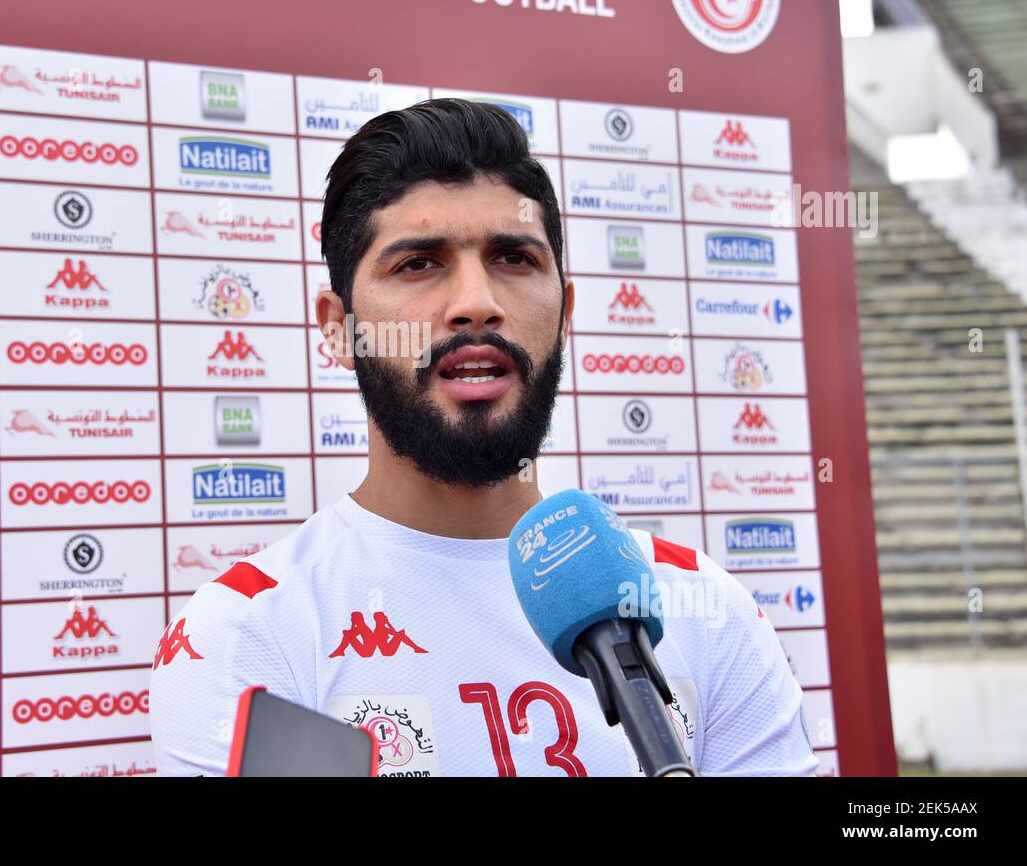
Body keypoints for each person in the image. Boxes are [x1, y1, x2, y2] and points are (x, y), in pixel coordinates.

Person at [149, 98, 818, 776]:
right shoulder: (249, 634)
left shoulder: (703, 609)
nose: (475, 301)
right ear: (338, 328)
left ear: (564, 314)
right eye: (418, 263)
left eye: (513, 258)